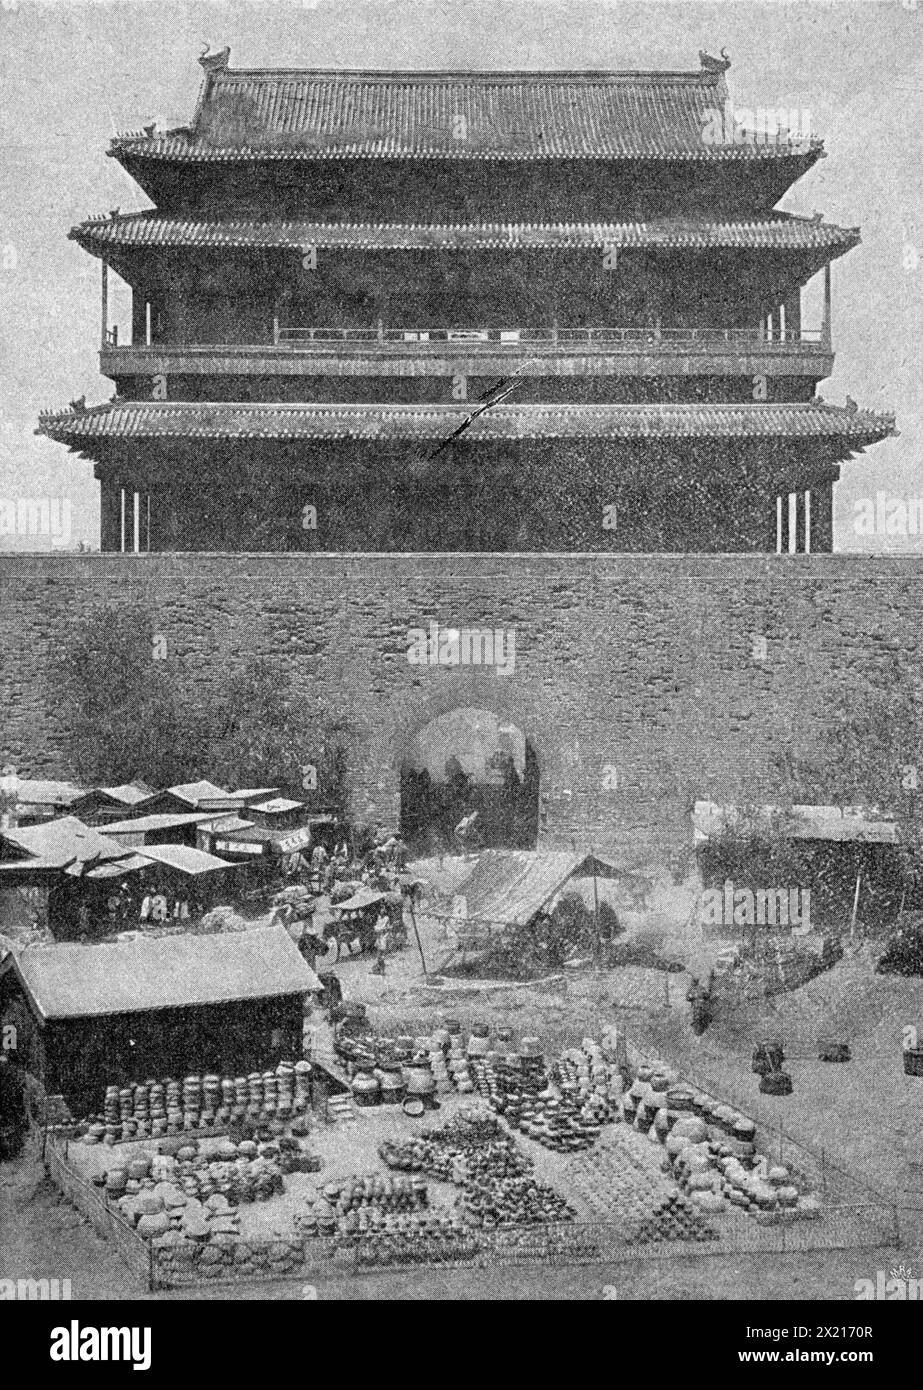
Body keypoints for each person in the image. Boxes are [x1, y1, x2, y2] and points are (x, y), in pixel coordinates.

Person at [370, 908, 391, 976]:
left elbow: (387, 927)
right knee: (379, 955)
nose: (381, 912)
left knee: (382, 954)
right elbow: (377, 925)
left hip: (383, 937)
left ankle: (382, 970)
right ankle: (380, 968)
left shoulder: (386, 918)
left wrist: (382, 929)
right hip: (379, 937)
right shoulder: (379, 917)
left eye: (383, 911)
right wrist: (376, 928)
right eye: (380, 911)